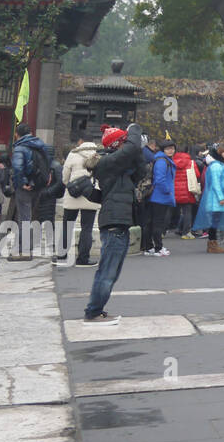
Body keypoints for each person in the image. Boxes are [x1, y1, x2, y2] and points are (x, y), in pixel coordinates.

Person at [83, 123, 147, 324]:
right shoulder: (107, 163)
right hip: (113, 222)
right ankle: (93, 312)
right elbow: (132, 147)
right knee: (107, 271)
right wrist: (134, 130)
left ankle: (95, 309)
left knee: (112, 271)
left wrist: (136, 149)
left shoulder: (120, 167)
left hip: (120, 222)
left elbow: (140, 169)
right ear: (118, 144)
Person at [9, 122, 54, 261]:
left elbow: (17, 167)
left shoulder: (20, 148)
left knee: (24, 218)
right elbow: (48, 163)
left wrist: (22, 183)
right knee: (30, 216)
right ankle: (26, 249)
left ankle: (23, 251)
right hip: (38, 185)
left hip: (26, 187)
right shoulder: (41, 145)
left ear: (17, 134)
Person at [59, 138, 100, 266]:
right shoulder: (99, 155)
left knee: (67, 226)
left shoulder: (73, 154)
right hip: (91, 195)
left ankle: (62, 255)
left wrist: (70, 185)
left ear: (81, 143)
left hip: (73, 195)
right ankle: (83, 259)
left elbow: (65, 176)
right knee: (86, 228)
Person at [194, 144, 224, 253]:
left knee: (214, 221)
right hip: (216, 198)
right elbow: (217, 183)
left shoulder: (216, 165)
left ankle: (212, 244)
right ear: (220, 153)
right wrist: (221, 197)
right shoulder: (217, 166)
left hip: (215, 197)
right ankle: (213, 244)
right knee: (214, 221)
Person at [146, 140, 176, 257]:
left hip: (157, 196)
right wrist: (167, 191)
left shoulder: (161, 159)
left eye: (172, 148)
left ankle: (149, 247)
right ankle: (158, 247)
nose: (171, 150)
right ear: (163, 149)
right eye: (168, 148)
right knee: (158, 223)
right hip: (160, 197)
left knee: (151, 223)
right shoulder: (163, 161)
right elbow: (160, 179)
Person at [172, 145, 201, 238]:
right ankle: (186, 232)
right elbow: (197, 174)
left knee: (169, 211)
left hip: (174, 190)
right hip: (188, 190)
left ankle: (162, 232)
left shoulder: (171, 161)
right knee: (187, 212)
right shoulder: (191, 162)